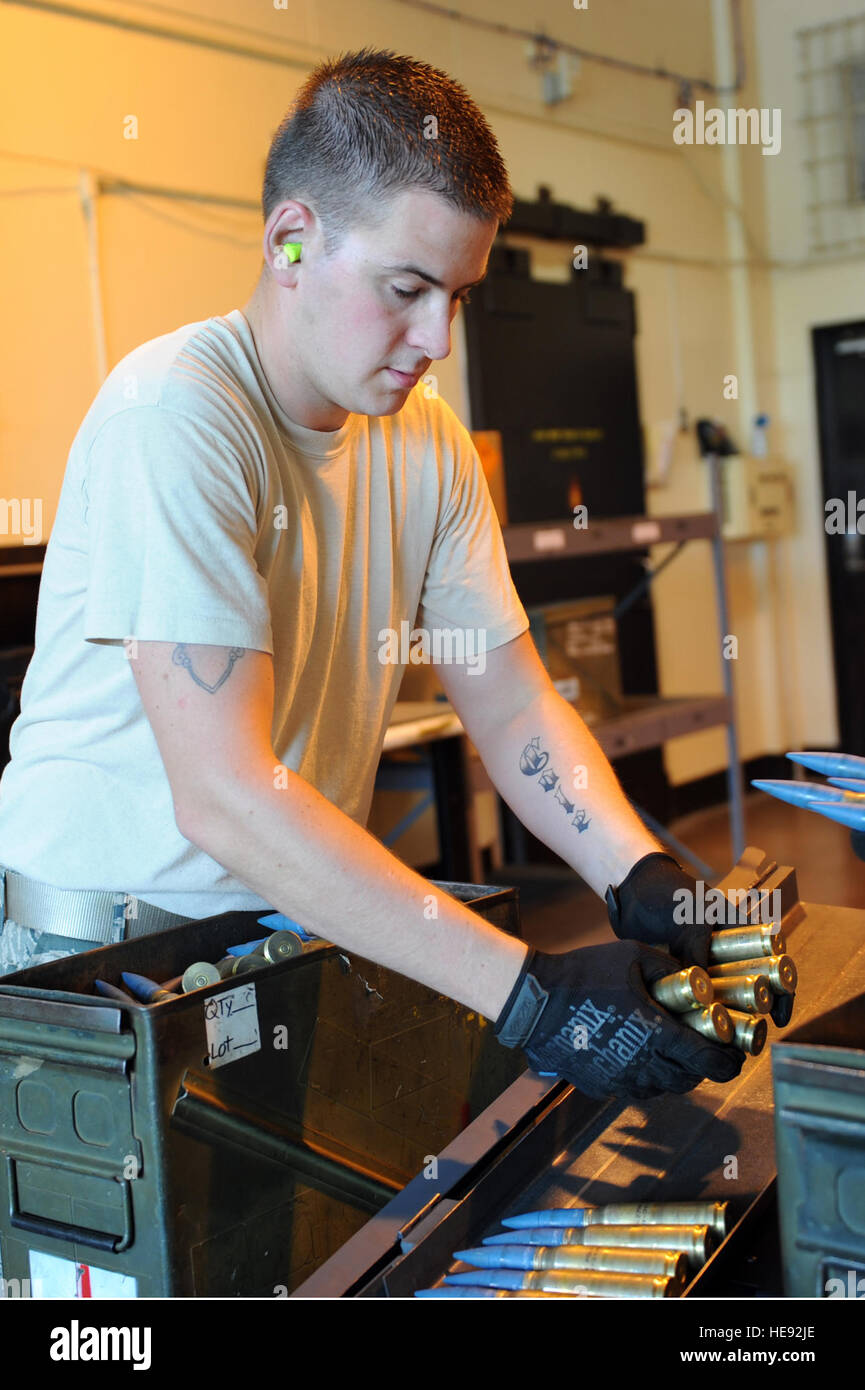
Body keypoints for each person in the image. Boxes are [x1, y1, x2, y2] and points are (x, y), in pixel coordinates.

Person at [0, 47, 743, 1100]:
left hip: (274, 933)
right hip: (96, 973)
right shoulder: (176, 415)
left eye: (459, 296)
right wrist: (533, 996)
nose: (437, 336)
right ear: (290, 239)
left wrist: (639, 876)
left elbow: (515, 702)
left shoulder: (423, 443)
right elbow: (223, 796)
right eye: (407, 288)